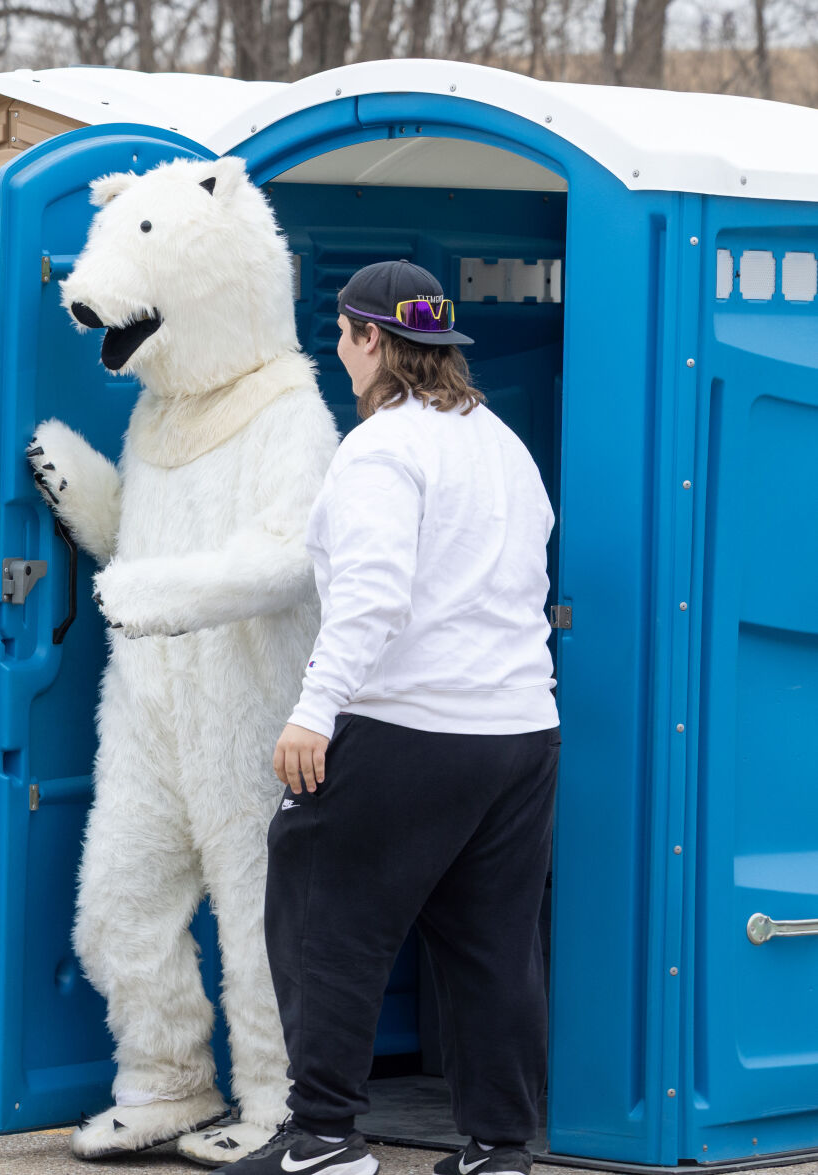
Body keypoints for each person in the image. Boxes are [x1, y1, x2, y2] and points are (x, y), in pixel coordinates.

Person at [222, 260, 562, 1175]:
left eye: (341, 335)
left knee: (321, 918)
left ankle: (324, 1137)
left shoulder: (380, 448)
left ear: (372, 338)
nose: (337, 352)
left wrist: (312, 711)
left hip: (408, 727)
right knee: (492, 947)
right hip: (519, 736)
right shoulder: (501, 444)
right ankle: (497, 1150)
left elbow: (372, 597)